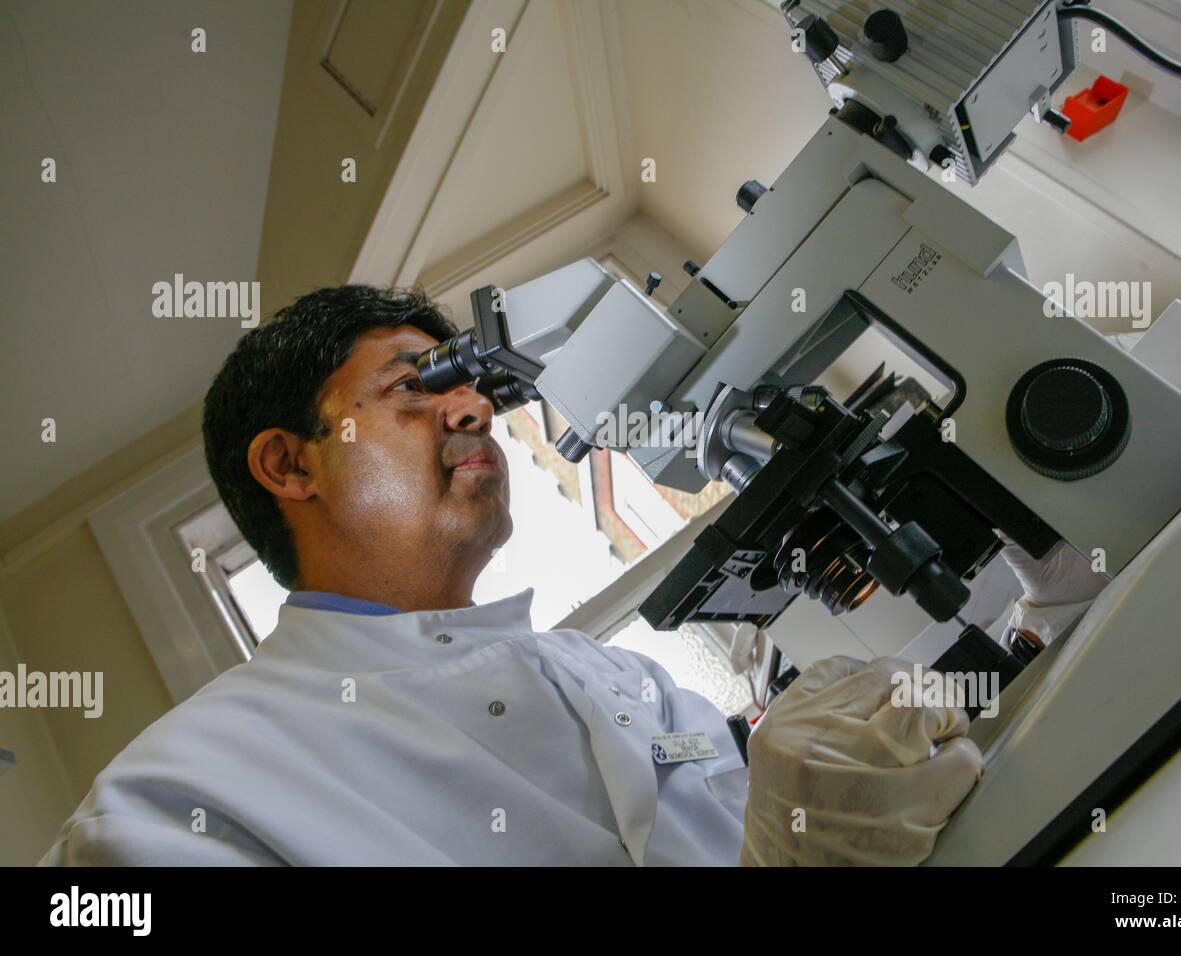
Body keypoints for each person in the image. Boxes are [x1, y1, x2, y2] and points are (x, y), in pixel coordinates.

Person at [40, 285, 1079, 867]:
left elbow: (762, 796)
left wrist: (1027, 644)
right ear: (290, 463)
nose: (473, 408)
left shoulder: (618, 682)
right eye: (418, 386)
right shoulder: (174, 801)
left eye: (474, 385)